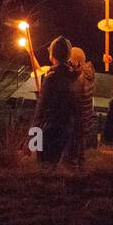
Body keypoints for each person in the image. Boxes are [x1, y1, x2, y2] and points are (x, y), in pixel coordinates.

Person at [32, 36, 77, 167]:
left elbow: (40, 111)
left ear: (52, 55)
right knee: (53, 164)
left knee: (43, 166)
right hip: (66, 129)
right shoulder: (73, 76)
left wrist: (31, 141)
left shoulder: (52, 78)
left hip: (49, 129)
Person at [64, 46, 96, 167]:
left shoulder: (78, 78)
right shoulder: (89, 74)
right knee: (81, 154)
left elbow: (72, 101)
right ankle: (82, 178)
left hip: (76, 122)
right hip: (85, 121)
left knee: (71, 158)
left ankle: (74, 181)